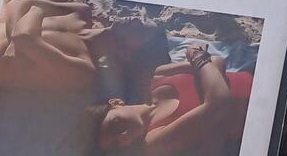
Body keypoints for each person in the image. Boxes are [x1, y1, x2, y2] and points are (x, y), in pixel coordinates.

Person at [94, 44, 251, 155]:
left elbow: (217, 61)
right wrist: (197, 55)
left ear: (116, 103)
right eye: (115, 145)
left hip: (254, 75)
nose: (122, 137)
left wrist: (214, 123)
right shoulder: (153, 143)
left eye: (113, 127)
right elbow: (220, 100)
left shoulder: (158, 76)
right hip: (258, 117)